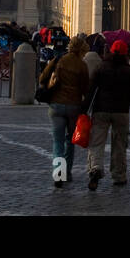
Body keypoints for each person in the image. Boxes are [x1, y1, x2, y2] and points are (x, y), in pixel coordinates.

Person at [86, 40, 130, 191]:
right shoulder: (129, 71)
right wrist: (129, 102)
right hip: (121, 111)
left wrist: (83, 110)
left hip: (101, 110)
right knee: (120, 144)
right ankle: (119, 176)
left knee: (97, 142)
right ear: (125, 54)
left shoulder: (100, 67)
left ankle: (95, 168)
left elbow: (91, 90)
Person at [42, 35, 90, 188]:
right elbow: (85, 89)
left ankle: (59, 173)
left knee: (57, 142)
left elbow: (43, 77)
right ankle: (67, 172)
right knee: (70, 141)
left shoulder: (59, 60)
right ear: (82, 49)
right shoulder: (82, 65)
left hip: (56, 104)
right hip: (73, 107)